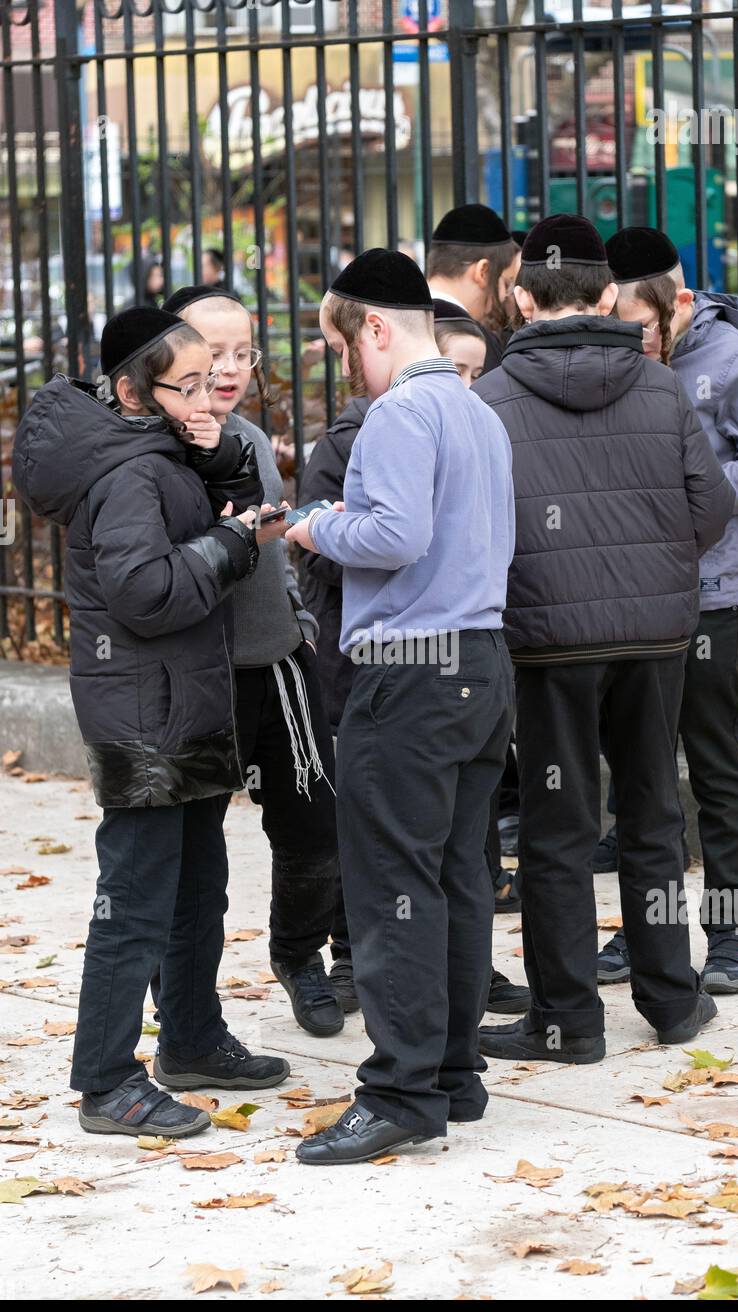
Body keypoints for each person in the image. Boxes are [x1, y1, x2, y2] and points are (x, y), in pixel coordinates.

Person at [12, 306, 293, 1137]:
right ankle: (105, 1080)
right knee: (133, 898)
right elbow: (145, 592)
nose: (210, 395)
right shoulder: (127, 473)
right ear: (134, 390)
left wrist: (222, 454)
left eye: (215, 379)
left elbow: (217, 490)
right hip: (146, 712)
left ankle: (194, 1039)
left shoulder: (157, 443)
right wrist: (234, 544)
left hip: (184, 700)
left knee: (197, 886)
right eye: (190, 384)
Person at [472, 215, 736, 1064]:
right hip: (656, 639)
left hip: (548, 640)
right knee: (655, 814)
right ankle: (672, 998)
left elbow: (477, 528)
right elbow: (712, 508)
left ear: (518, 296)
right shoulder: (662, 388)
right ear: (611, 294)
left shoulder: (492, 400)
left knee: (557, 828)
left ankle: (568, 1020)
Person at [286, 249, 516, 1164]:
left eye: (340, 345)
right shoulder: (475, 409)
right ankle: (452, 1073)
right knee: (459, 874)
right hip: (479, 662)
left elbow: (394, 535)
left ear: (374, 329)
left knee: (391, 888)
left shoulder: (399, 411)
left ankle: (400, 1092)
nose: (343, 364)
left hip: (410, 670)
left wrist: (315, 524)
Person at [594, 227, 738, 995]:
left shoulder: (737, 360)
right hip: (633, 594)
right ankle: (646, 926)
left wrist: (680, 499)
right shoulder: (625, 358)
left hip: (710, 595)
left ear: (677, 301)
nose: (629, 338)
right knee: (639, 774)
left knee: (712, 766)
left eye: (640, 324)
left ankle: (732, 932)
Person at [163, 284, 344, 1038]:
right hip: (201, 678)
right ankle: (188, 1017)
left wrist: (300, 623)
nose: (231, 368)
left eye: (244, 352)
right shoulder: (156, 452)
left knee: (314, 828)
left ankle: (299, 958)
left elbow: (269, 551)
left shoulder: (250, 435)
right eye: (213, 354)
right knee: (192, 856)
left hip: (277, 663)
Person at [427, 203, 521, 372]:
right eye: (506, 283)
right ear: (483, 271)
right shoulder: (479, 343)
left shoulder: (395, 324)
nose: (503, 296)